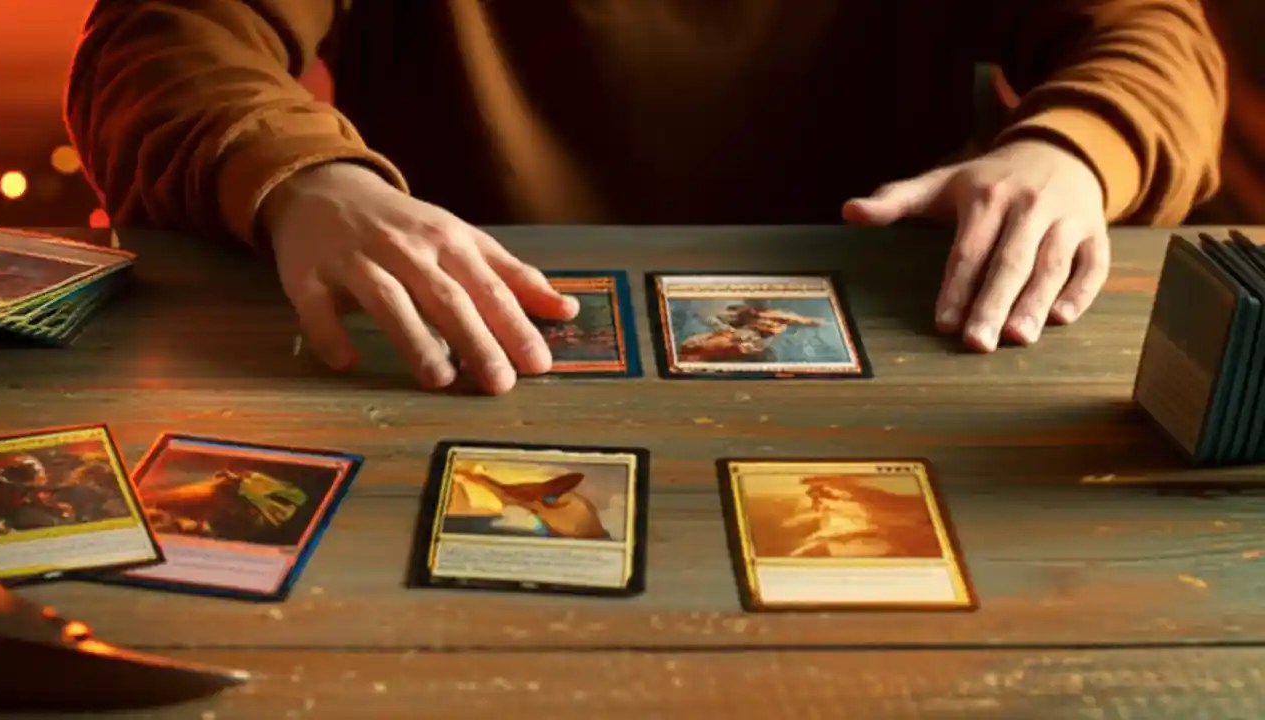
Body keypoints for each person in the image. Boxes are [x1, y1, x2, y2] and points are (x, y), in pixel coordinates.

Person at [63, 1, 1227, 395]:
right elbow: (159, 37)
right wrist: (303, 176)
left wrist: (1074, 151)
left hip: (916, 342)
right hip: (451, 352)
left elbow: (1152, 38)